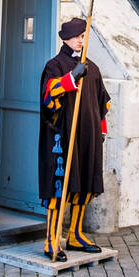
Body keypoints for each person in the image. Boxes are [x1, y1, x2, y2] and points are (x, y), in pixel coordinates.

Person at [39, 17, 110, 261]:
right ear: (66, 38)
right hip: (62, 137)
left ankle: (75, 235)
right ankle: (51, 241)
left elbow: (103, 103)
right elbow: (49, 95)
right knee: (59, 189)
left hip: (87, 138)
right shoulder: (54, 65)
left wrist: (100, 131)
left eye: (83, 35)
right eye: (78, 36)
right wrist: (72, 78)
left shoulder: (92, 67)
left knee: (84, 187)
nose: (82, 40)